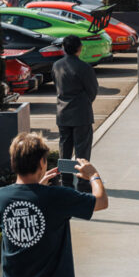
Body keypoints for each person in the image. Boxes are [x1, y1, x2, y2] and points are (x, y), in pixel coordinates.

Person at [0, 133, 107, 277]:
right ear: (42, 162)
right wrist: (93, 175)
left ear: (13, 161)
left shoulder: (1, 197)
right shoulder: (58, 197)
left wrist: (37, 188)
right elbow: (101, 201)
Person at [52, 35, 99, 191]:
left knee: (64, 149)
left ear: (64, 48)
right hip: (81, 113)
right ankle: (83, 182)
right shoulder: (85, 67)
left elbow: (56, 86)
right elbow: (92, 90)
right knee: (82, 151)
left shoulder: (57, 65)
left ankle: (66, 181)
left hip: (63, 113)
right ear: (79, 48)